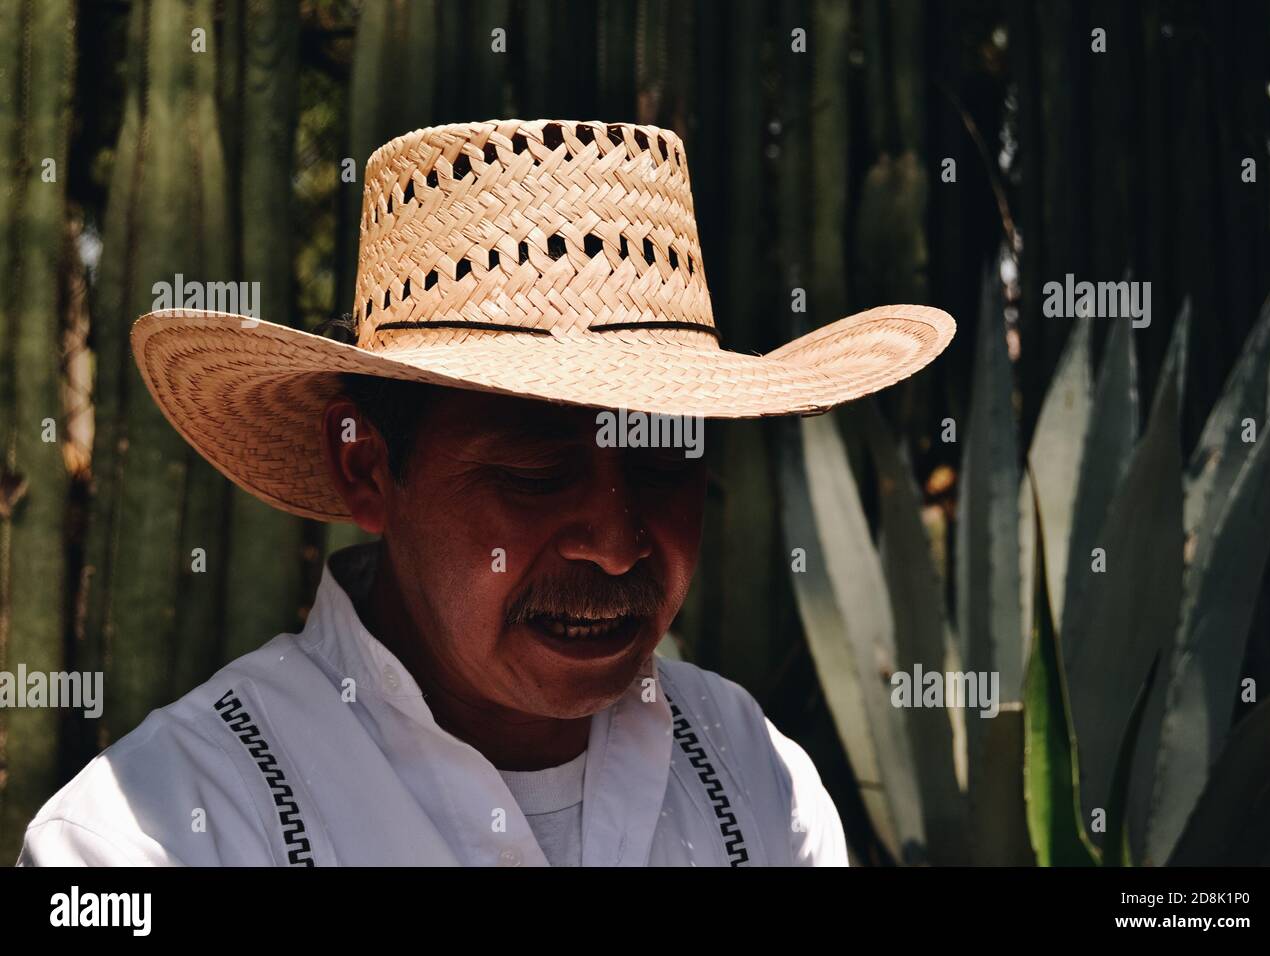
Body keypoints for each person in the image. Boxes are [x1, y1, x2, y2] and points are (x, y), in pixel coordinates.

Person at [18, 119, 953, 866]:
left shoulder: (756, 781)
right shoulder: (154, 838)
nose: (618, 543)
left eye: (666, 466)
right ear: (366, 469)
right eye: (535, 475)